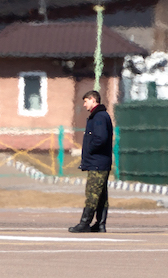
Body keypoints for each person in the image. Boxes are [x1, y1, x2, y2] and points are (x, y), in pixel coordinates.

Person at [70, 89, 113, 233]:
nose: (84, 105)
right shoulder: (98, 116)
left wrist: (90, 149)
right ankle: (100, 224)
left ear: (93, 100)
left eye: (86, 101)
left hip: (98, 162)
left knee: (92, 194)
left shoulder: (99, 117)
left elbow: (101, 138)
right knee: (101, 196)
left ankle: (84, 223)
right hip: (99, 161)